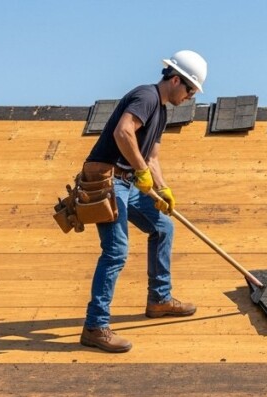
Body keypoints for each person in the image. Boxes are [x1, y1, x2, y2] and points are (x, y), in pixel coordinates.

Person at [78, 50, 208, 353]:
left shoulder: (161, 111)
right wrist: (139, 171)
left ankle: (159, 300)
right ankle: (95, 326)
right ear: (176, 79)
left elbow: (151, 157)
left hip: (130, 183)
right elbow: (123, 132)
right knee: (116, 251)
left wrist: (163, 189)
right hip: (108, 180)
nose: (190, 97)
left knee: (163, 227)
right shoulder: (146, 97)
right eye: (190, 90)